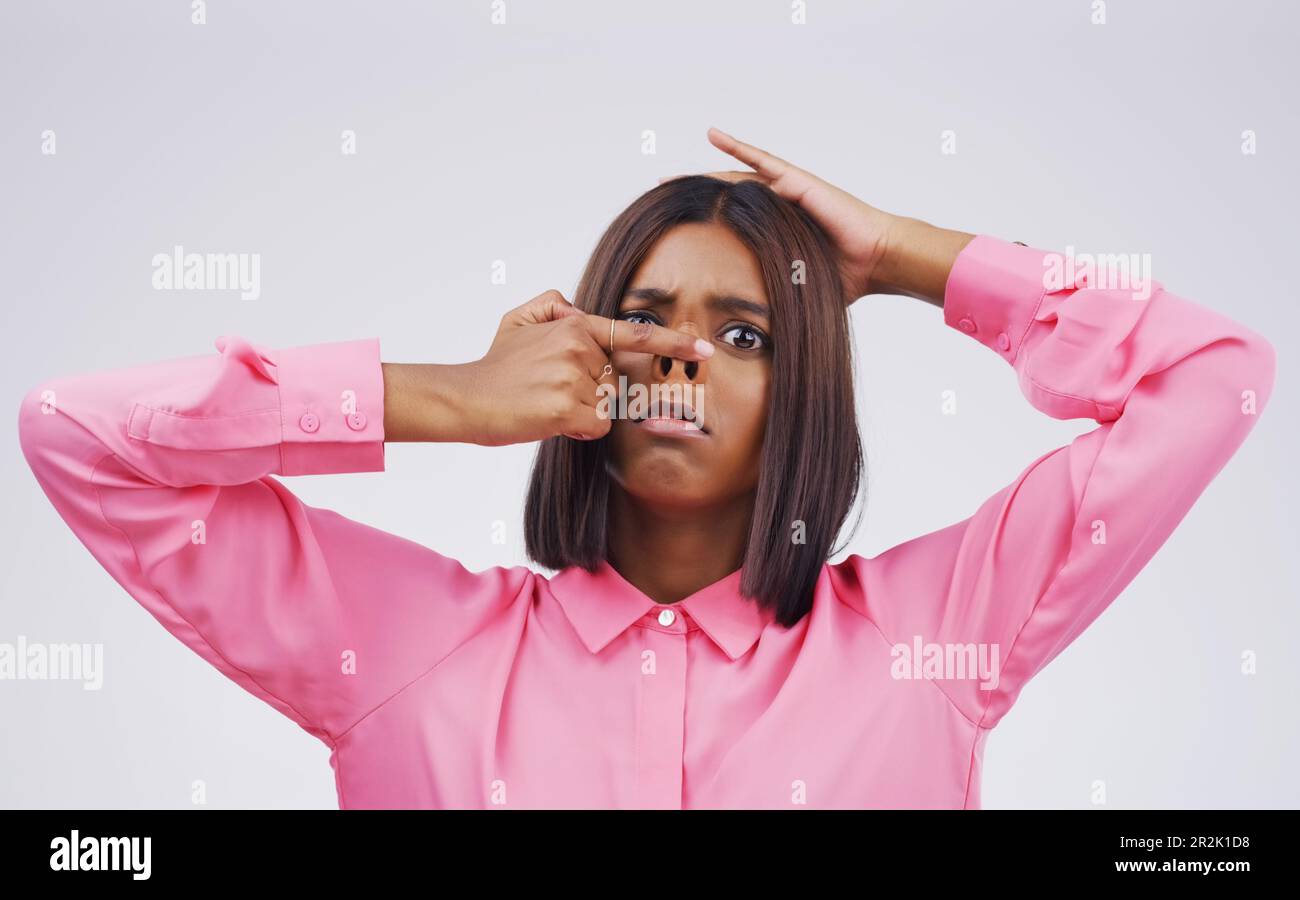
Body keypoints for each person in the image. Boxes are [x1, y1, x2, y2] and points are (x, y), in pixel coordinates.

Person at [17, 128, 1276, 809]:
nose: (684, 356)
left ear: (806, 393)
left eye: (745, 335)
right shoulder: (397, 647)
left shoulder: (938, 635)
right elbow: (78, 435)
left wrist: (902, 255)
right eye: (647, 316)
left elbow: (1213, 376)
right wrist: (439, 398)